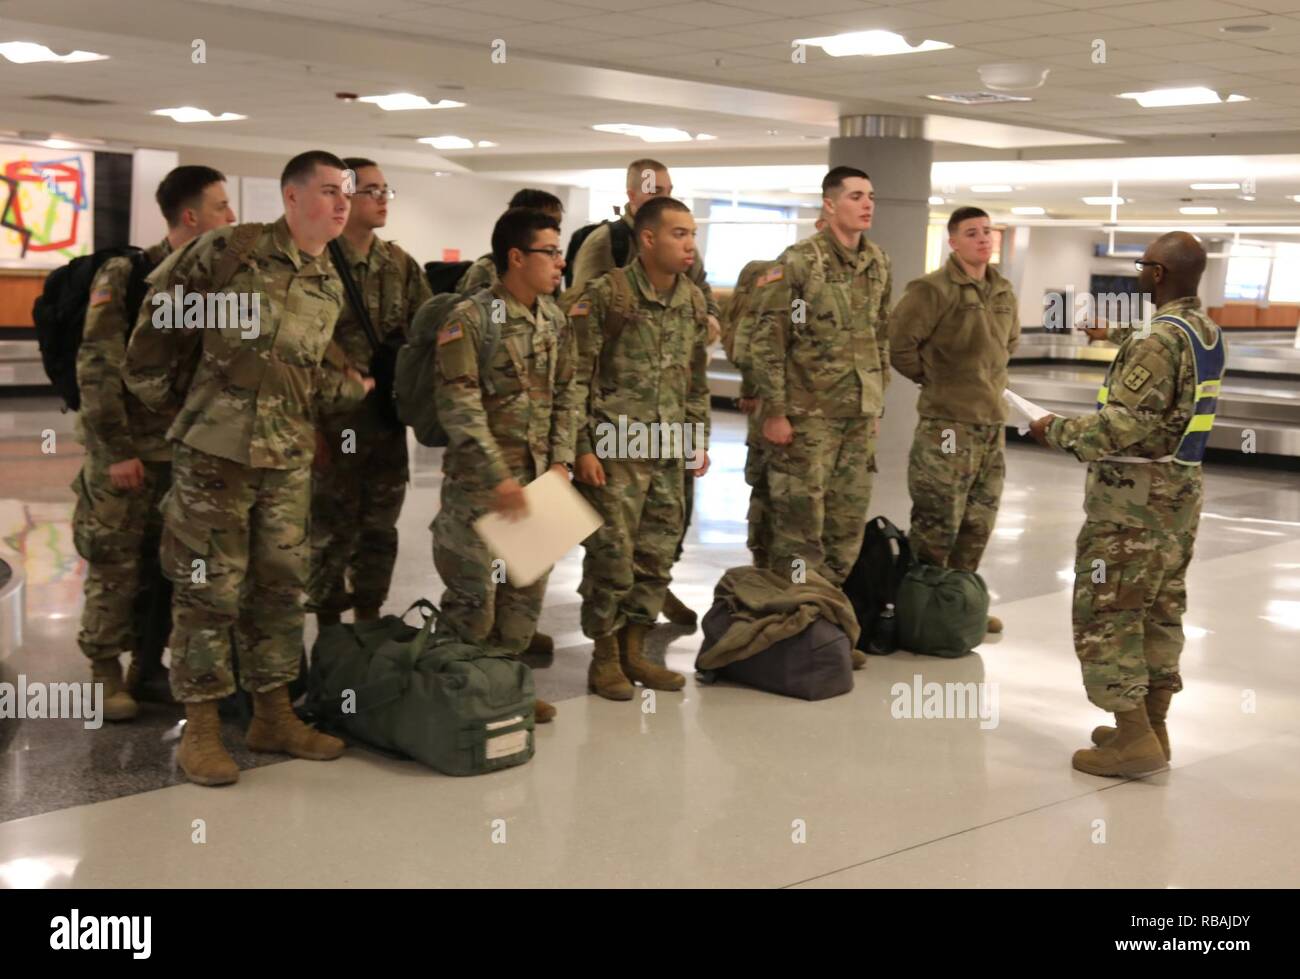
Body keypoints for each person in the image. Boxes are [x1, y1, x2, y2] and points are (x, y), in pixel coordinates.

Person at [125, 150, 372, 786]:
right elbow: (155, 331)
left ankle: (273, 715)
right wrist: (189, 412)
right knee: (207, 594)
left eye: (347, 193)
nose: (342, 204)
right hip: (216, 460)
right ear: (290, 198)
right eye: (328, 191)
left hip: (286, 460)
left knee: (281, 590)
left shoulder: (326, 279)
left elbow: (303, 369)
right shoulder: (230, 250)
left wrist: (345, 393)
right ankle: (201, 730)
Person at [1029, 231, 1226, 778]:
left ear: (1158, 274)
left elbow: (1121, 425)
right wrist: (1105, 328)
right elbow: (1158, 351)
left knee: (1110, 611)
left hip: (1132, 508)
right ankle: (1153, 726)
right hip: (1178, 499)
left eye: (1143, 267)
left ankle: (1133, 738)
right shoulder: (1204, 332)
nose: (1138, 274)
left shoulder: (1156, 341)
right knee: (1160, 612)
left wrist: (1055, 430)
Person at [73, 165, 235, 720]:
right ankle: (104, 672)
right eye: (221, 206)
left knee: (169, 567)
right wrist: (117, 450)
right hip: (127, 452)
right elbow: (97, 367)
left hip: (182, 451)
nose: (231, 217)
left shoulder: (211, 282)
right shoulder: (126, 275)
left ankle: (148, 666)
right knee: (115, 563)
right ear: (191, 216)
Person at [431, 207, 582, 725]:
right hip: (481, 491)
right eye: (550, 252)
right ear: (515, 257)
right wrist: (498, 475)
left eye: (561, 252)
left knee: (522, 608)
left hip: (539, 485)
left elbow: (569, 392)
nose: (561, 263)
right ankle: (456, 699)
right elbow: (460, 406)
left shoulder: (554, 318)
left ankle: (506, 690)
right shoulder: (469, 320)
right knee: (475, 605)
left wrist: (562, 461)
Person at [566, 159, 720, 626]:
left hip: (667, 438)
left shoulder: (687, 289)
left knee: (659, 544)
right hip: (618, 435)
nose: (688, 242)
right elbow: (575, 369)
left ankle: (639, 634)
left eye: (669, 190)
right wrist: (580, 445)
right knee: (611, 551)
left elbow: (695, 380)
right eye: (653, 191)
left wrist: (697, 440)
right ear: (633, 196)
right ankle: (607, 653)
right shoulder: (606, 256)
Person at [748, 166, 891, 586]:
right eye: (855, 196)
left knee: (845, 528)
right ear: (829, 205)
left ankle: (826, 622)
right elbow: (769, 341)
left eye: (870, 196)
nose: (867, 204)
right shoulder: (798, 264)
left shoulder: (878, 263)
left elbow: (880, 334)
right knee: (799, 529)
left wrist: (876, 402)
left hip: (857, 417)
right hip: (807, 419)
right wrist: (775, 411)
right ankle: (792, 621)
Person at [307, 157, 431, 627]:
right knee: (329, 530)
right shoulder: (315, 262)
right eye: (370, 190)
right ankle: (328, 631)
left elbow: (423, 338)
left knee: (379, 528)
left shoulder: (399, 265)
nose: (381, 199)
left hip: (383, 418)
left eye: (385, 190)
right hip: (332, 422)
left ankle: (368, 621)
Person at [890, 206, 1019, 633]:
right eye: (972, 233)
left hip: (990, 424)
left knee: (978, 521)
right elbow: (900, 346)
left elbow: (1009, 343)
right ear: (953, 242)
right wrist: (937, 380)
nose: (983, 239)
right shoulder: (931, 289)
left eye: (987, 232)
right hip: (948, 425)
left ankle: (962, 604)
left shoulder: (1002, 289)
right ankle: (924, 608)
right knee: (938, 517)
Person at [456, 189, 564, 295]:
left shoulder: (548, 268)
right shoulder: (488, 269)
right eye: (546, 222)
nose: (555, 229)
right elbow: (486, 309)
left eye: (557, 224)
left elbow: (555, 306)